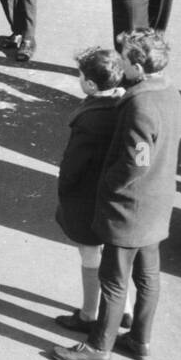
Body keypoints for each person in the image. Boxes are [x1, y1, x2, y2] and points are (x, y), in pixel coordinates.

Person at [52, 30, 181, 360]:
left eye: (125, 59)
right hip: (159, 200)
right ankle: (139, 340)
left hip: (131, 207)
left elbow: (135, 162)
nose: (121, 63)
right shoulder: (170, 92)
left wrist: (108, 187)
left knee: (113, 280)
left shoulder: (140, 104)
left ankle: (98, 347)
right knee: (148, 276)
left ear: (137, 66)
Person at [52, 48, 133, 335]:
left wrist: (64, 189)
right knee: (116, 254)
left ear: (90, 85)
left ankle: (89, 313)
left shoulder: (89, 120)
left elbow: (73, 165)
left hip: (88, 198)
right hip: (118, 196)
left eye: (80, 75)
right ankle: (124, 309)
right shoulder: (126, 105)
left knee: (90, 254)